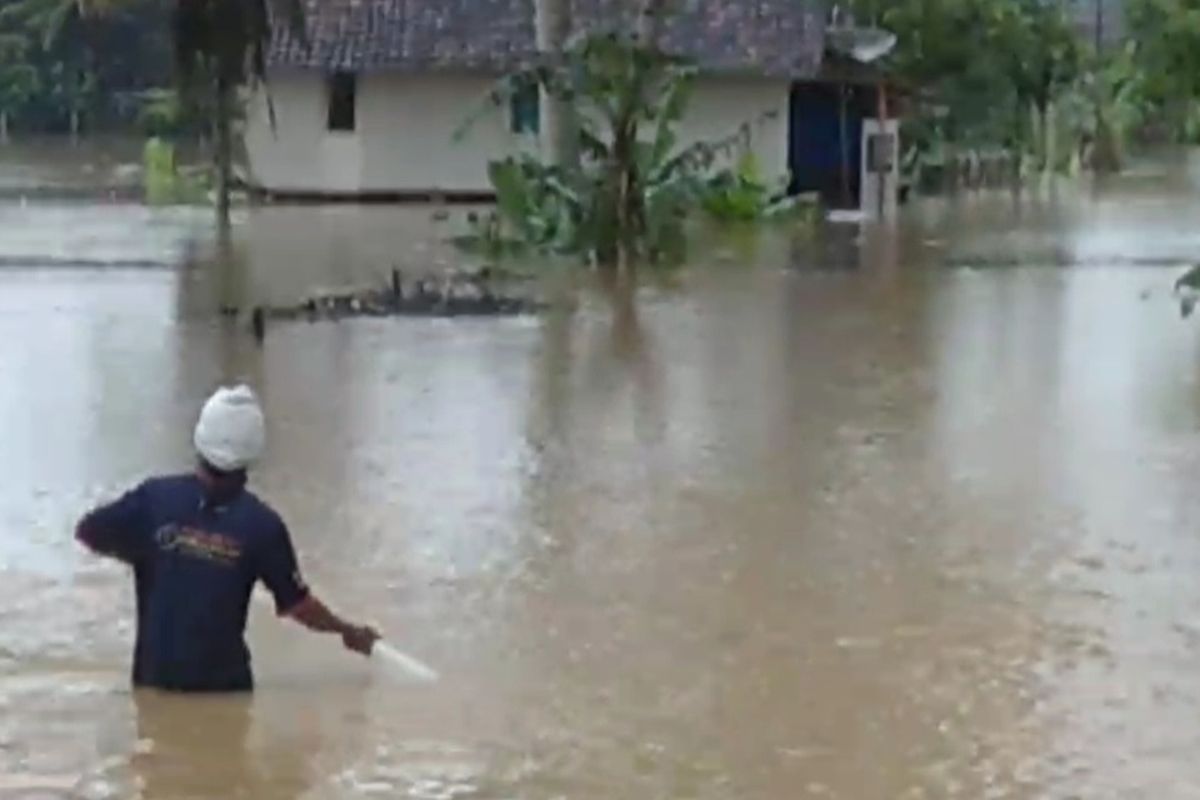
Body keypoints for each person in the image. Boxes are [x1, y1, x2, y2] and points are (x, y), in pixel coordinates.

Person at [76, 384, 379, 692]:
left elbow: (88, 532)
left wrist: (148, 552)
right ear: (255, 448)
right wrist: (347, 631)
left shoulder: (153, 499)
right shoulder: (263, 525)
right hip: (225, 691)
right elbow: (298, 606)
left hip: (154, 685)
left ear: (200, 437)